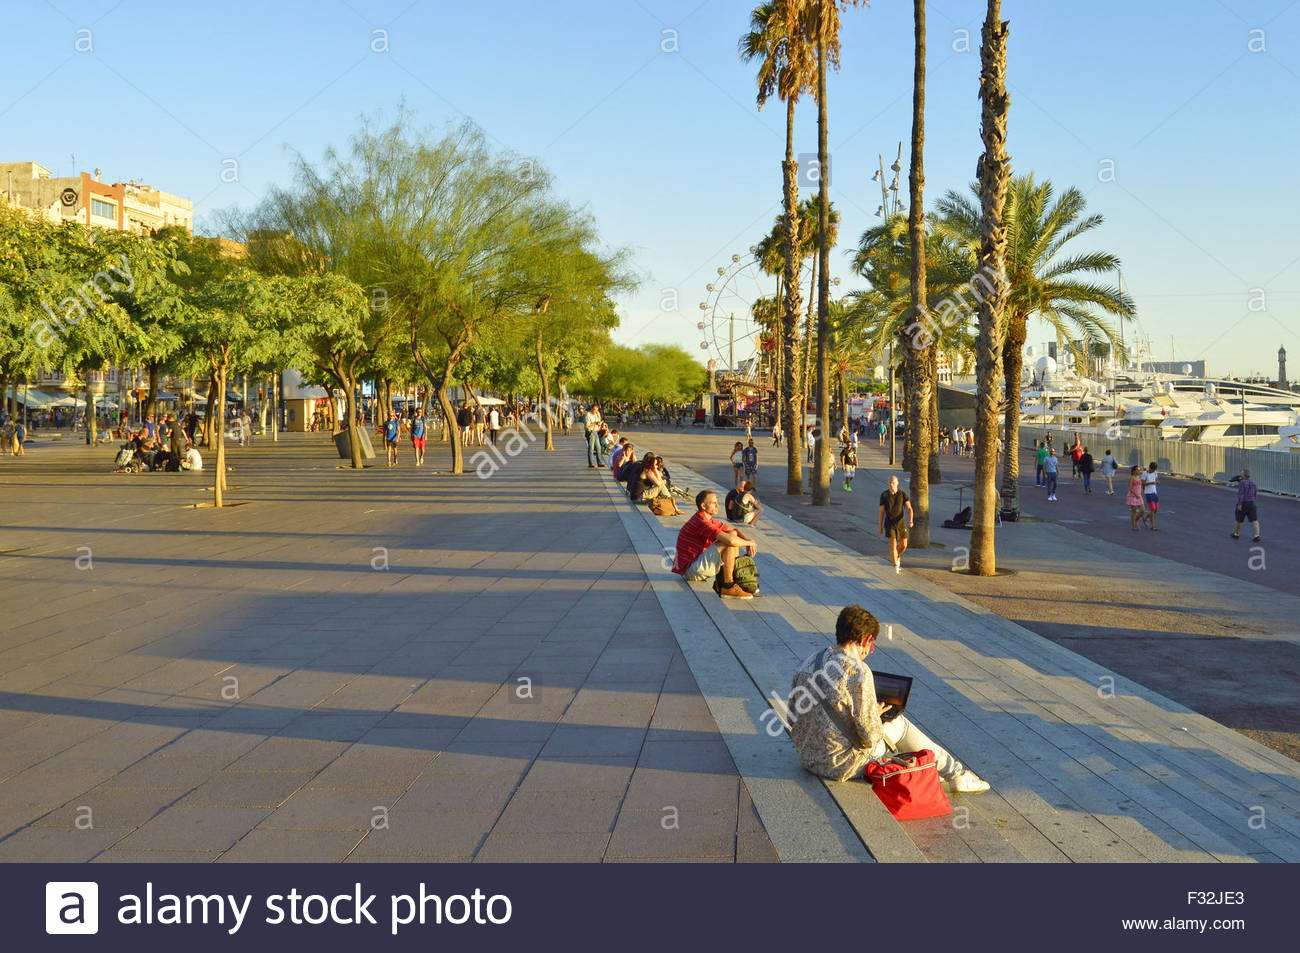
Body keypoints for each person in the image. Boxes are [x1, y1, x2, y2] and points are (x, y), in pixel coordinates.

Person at [788, 605, 989, 792]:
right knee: (899, 724)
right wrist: (874, 715)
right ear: (866, 640)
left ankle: (941, 770)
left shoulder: (810, 660)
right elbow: (870, 738)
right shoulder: (857, 671)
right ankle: (957, 774)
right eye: (871, 645)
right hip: (841, 766)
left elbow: (791, 717)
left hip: (807, 758)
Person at [671, 490, 757, 599]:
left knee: (732, 534)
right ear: (703, 505)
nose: (717, 505)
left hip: (695, 565)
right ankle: (728, 585)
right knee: (728, 541)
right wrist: (749, 543)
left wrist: (747, 539)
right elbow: (730, 541)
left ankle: (724, 582)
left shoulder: (706, 518)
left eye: (717, 502)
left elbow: (734, 529)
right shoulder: (702, 522)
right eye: (713, 503)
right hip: (691, 570)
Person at [878, 475, 913, 574]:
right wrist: (880, 526)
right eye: (890, 482)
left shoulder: (902, 494)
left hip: (901, 523)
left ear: (897, 483)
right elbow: (881, 512)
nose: (891, 485)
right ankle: (896, 566)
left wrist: (911, 520)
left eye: (893, 483)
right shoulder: (884, 495)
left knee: (904, 545)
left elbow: (909, 508)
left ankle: (896, 556)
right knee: (893, 545)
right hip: (889, 524)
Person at [1231, 468, 1261, 542]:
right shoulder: (1253, 482)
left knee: (1239, 519)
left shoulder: (1242, 482)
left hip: (1244, 503)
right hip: (1252, 503)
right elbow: (1255, 493)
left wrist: (1240, 504)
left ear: (1243, 475)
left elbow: (1241, 494)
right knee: (1254, 520)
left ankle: (1236, 534)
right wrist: (1253, 500)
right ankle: (1257, 535)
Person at [1141, 461, 1160, 530]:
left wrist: (1157, 482)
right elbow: (1142, 483)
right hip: (1148, 492)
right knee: (1152, 509)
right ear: (1150, 468)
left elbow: (1157, 479)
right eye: (1152, 469)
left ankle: (1145, 518)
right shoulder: (1145, 473)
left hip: (1154, 492)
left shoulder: (1155, 473)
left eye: (1154, 470)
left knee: (1156, 510)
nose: (1153, 471)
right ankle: (1153, 526)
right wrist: (1150, 483)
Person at [1126, 465, 1146, 531]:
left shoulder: (1139, 477)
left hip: (1139, 495)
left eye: (1139, 470)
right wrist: (1135, 494)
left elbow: (1141, 487)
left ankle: (1136, 521)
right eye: (1137, 470)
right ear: (1134, 471)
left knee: (1142, 510)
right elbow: (1130, 488)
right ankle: (1134, 525)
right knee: (1134, 511)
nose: (1139, 471)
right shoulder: (1132, 477)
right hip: (1133, 495)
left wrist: (1141, 494)